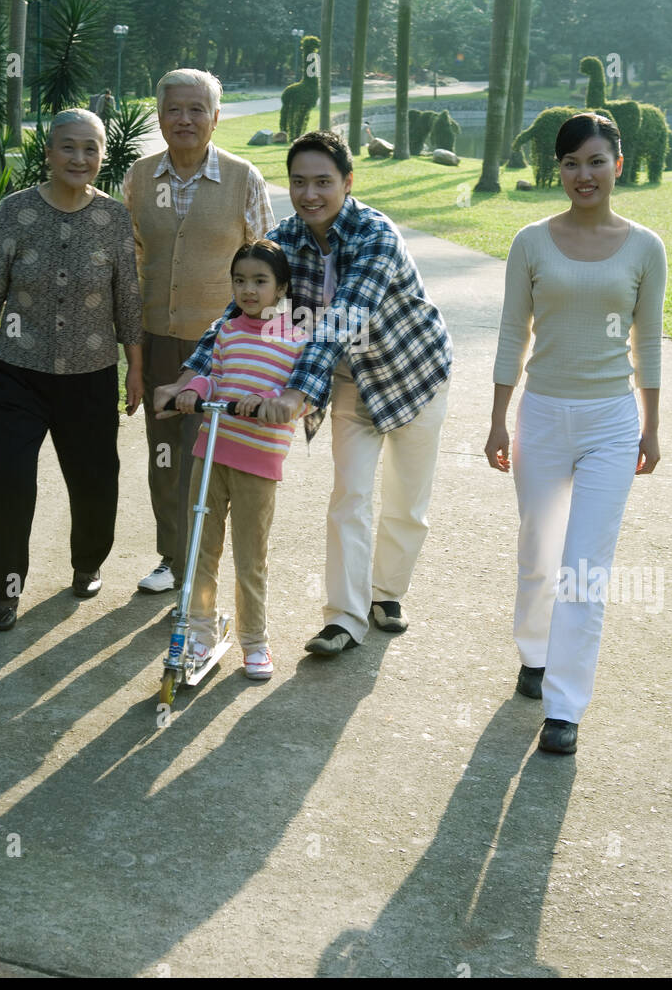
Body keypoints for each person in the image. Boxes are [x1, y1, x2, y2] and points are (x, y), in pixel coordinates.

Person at [158, 130, 452, 659]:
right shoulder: (287, 237)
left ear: (347, 182)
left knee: (408, 504)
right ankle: (344, 618)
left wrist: (296, 393)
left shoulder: (375, 235)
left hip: (411, 375)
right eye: (298, 182)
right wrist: (189, 376)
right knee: (350, 496)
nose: (309, 194)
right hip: (345, 383)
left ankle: (387, 593)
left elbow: (343, 318)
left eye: (323, 182)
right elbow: (240, 312)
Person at [485, 112, 667, 755]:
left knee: (585, 568)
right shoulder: (531, 241)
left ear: (617, 164)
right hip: (541, 416)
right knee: (539, 552)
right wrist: (498, 416)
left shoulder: (646, 246)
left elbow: (648, 340)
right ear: (556, 169)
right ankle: (534, 653)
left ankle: (565, 706)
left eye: (594, 161)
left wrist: (651, 425)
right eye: (569, 163)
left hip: (611, 425)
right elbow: (513, 332)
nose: (582, 175)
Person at [0, 108, 143, 631]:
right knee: (12, 480)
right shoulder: (16, 210)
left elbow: (127, 297)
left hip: (89, 375)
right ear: (49, 151)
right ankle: (7, 590)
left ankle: (87, 563)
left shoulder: (113, 218)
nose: (79, 158)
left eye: (91, 148)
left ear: (103, 156)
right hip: (19, 370)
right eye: (68, 146)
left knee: (94, 479)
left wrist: (134, 369)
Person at [123, 68, 274, 597]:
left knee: (208, 455)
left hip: (224, 349)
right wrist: (134, 354)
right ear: (159, 115)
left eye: (196, 110)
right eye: (173, 109)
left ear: (215, 116)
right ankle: (172, 556)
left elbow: (269, 263)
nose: (184, 119)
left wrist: (266, 347)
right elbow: (133, 258)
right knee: (164, 453)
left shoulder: (242, 177)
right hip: (159, 338)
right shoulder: (140, 178)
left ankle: (200, 565)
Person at [165, 240, 309, 679]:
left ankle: (254, 642)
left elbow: (298, 400)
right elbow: (215, 378)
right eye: (240, 280)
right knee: (201, 550)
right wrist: (194, 390)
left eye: (260, 281)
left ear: (281, 287)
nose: (248, 290)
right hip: (211, 451)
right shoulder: (226, 331)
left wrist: (263, 400)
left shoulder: (297, 338)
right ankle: (200, 630)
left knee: (250, 558)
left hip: (258, 462)